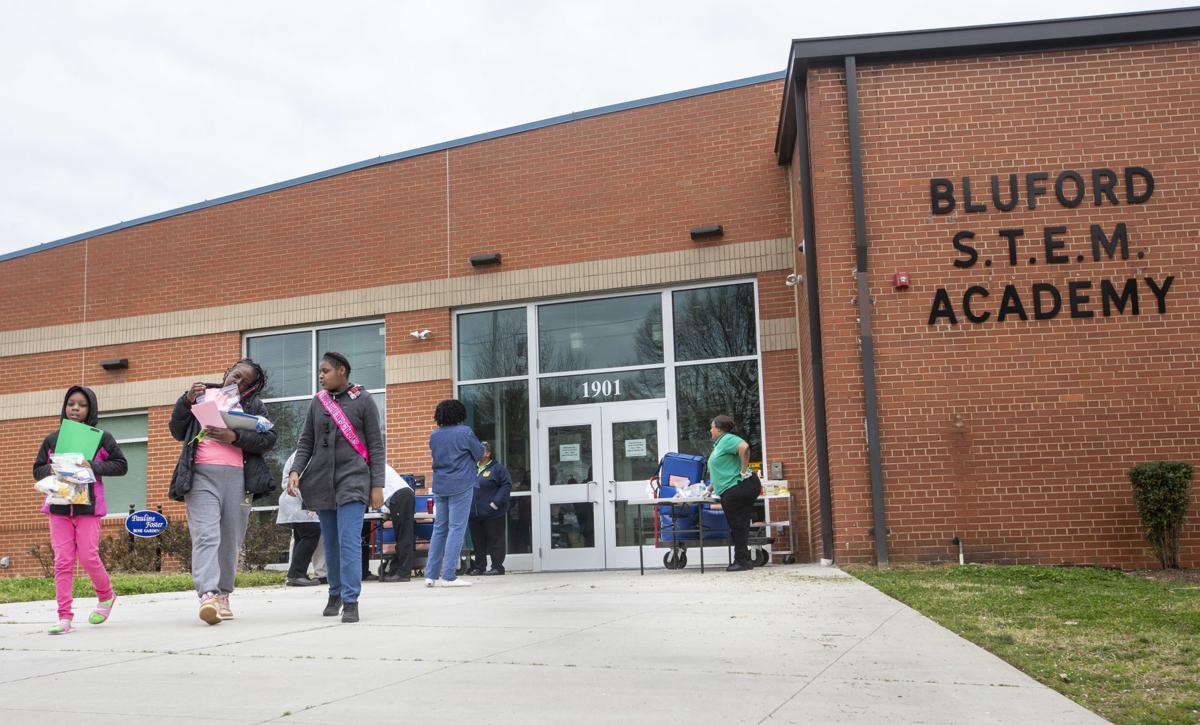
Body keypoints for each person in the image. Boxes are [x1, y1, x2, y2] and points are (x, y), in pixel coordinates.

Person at [169, 359, 277, 625]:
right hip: (201, 475)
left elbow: (269, 439)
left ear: (250, 387)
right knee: (206, 534)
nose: (236, 381)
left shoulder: (253, 406)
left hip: (239, 479)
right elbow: (177, 430)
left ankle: (224, 595)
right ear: (227, 372)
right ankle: (208, 594)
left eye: (244, 380)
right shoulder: (203, 395)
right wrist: (185, 401)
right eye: (235, 374)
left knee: (230, 539)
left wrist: (234, 437)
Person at [288, 352, 385, 623]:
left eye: (326, 370)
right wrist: (296, 470)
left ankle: (351, 600)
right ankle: (335, 593)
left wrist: (377, 484)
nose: (321, 375)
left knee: (349, 539)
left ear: (342, 371)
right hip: (321, 481)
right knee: (330, 541)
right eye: (320, 371)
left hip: (353, 479)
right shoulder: (317, 403)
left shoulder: (363, 400)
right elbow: (306, 441)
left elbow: (376, 445)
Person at [33, 386, 128, 635]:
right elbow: (37, 469)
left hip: (88, 508)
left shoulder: (101, 438)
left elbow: (120, 465)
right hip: (59, 507)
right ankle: (64, 617)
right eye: (71, 403)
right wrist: (52, 469)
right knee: (63, 561)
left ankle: (106, 596)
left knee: (88, 557)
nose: (75, 408)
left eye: (82, 405)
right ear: (64, 407)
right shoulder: (53, 439)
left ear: (91, 409)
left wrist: (92, 465)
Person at [425, 399, 483, 588]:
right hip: (461, 484)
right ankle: (449, 576)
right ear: (459, 414)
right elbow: (480, 454)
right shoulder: (465, 432)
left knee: (440, 529)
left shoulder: (434, 435)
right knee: (456, 528)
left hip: (440, 485)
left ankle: (430, 575)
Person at [705, 415, 758, 572]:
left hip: (739, 486)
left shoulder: (727, 438)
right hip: (735, 486)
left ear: (719, 429)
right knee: (739, 525)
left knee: (737, 525)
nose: (710, 429)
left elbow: (744, 447)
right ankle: (745, 560)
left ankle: (741, 561)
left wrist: (743, 470)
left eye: (712, 426)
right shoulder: (720, 445)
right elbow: (724, 469)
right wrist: (709, 488)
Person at [276, 451, 325, 586]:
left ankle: (296, 574)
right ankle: (296, 574)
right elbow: (305, 481)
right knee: (311, 534)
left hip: (294, 503)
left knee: (301, 537)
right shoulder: (306, 455)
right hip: (300, 503)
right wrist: (311, 504)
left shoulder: (297, 455)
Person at [467, 441, 512, 576]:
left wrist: (495, 503)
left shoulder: (498, 469)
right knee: (478, 542)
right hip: (474, 513)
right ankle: (479, 567)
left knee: (495, 541)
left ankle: (497, 567)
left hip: (493, 513)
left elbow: (506, 486)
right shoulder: (471, 468)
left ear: (488, 453)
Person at [378, 465, 414, 582]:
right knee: (402, 535)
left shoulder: (371, 465)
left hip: (399, 496)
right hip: (403, 494)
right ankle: (396, 569)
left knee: (403, 536)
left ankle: (403, 573)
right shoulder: (379, 463)